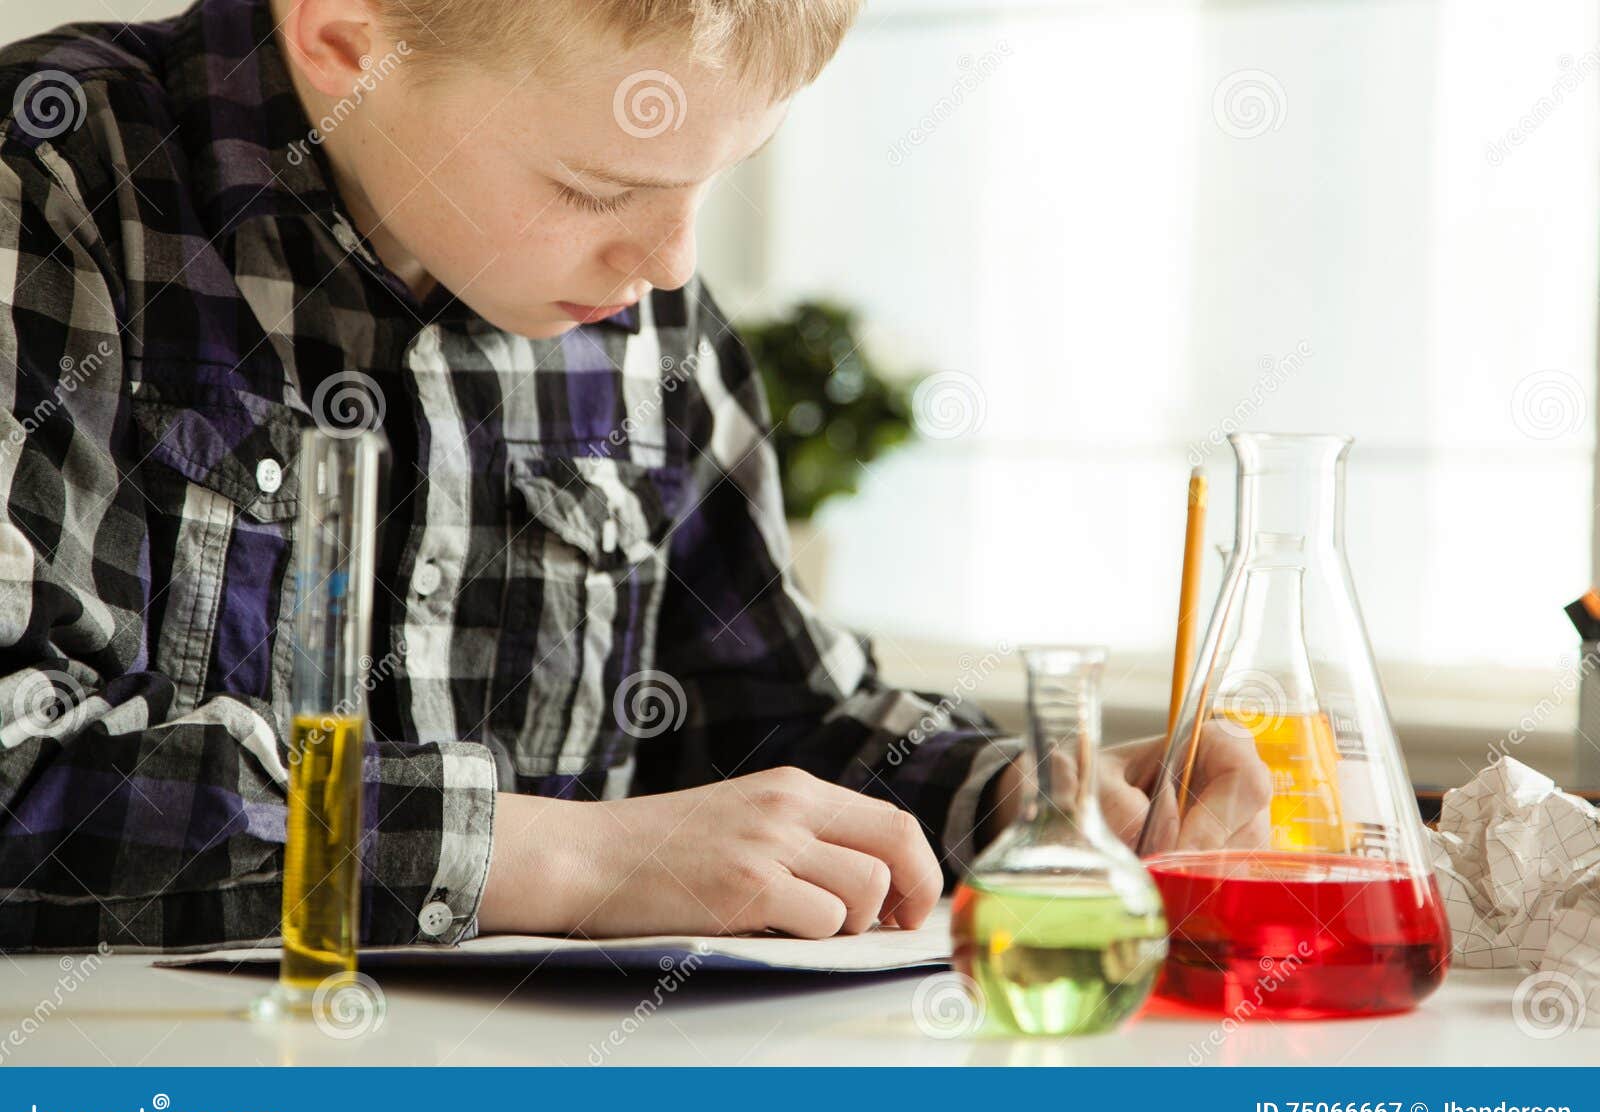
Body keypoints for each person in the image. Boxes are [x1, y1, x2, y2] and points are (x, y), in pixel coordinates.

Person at [0, 0, 1267, 951]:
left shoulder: (633, 309)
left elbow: (771, 712)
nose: (671, 264)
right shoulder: (48, 180)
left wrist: (1028, 802)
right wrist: (570, 860)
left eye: (714, 179)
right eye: (594, 186)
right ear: (347, 39)